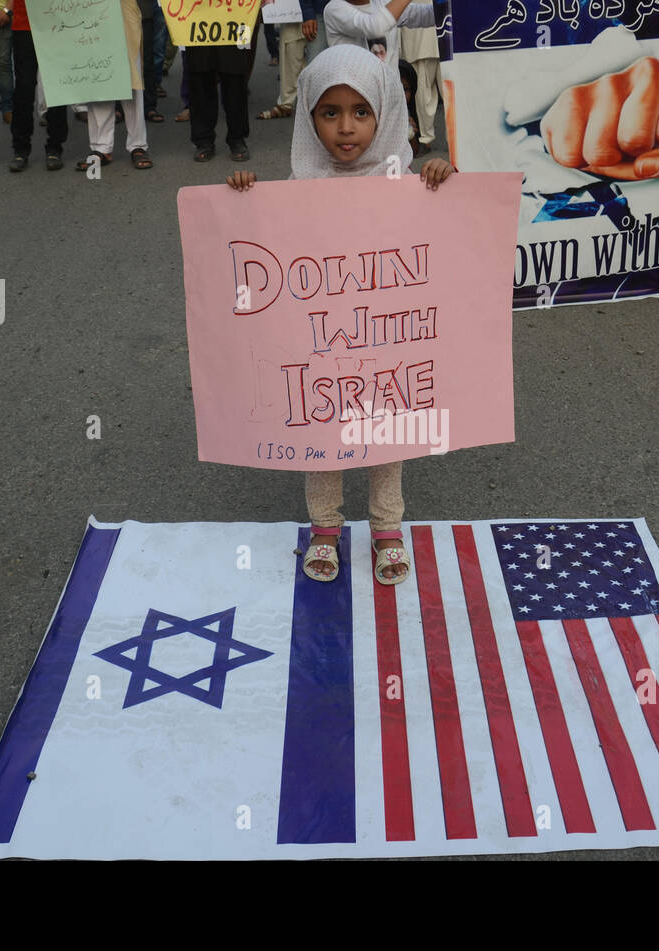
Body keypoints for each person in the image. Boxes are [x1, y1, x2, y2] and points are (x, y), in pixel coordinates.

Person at [225, 45, 454, 585]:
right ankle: (325, 528)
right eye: (329, 114)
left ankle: (387, 529)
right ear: (309, 118)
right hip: (322, 351)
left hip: (385, 345)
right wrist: (247, 200)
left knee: (387, 436)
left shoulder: (406, 185)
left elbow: (436, 240)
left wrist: (441, 177)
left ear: (385, 113)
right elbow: (271, 249)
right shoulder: (301, 188)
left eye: (361, 112)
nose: (346, 128)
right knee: (321, 434)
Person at [77, 0, 153, 171]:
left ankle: (138, 145)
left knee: (131, 80)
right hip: (90, 9)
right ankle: (100, 147)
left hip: (124, 9)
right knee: (97, 75)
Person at [187, 10, 259, 162]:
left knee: (236, 78)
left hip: (237, 15)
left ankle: (237, 138)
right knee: (200, 75)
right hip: (198, 15)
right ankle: (203, 140)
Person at [8, 0, 68, 171]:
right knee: (24, 89)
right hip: (24, 25)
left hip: (56, 23)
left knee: (56, 86)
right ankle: (20, 149)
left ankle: (55, 147)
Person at [257, 0, 322, 120]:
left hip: (318, 8)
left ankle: (317, 103)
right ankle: (286, 104)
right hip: (289, 8)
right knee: (289, 49)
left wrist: (308, 12)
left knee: (317, 58)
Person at [323, 0, 435, 65]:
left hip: (392, 93)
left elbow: (422, 15)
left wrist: (448, 6)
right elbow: (375, 27)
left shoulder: (381, 2)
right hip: (360, 97)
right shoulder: (334, 8)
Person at [400, 0, 441, 152]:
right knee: (450, 90)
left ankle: (426, 138)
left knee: (424, 92)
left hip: (421, 36)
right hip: (432, 32)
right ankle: (458, 136)